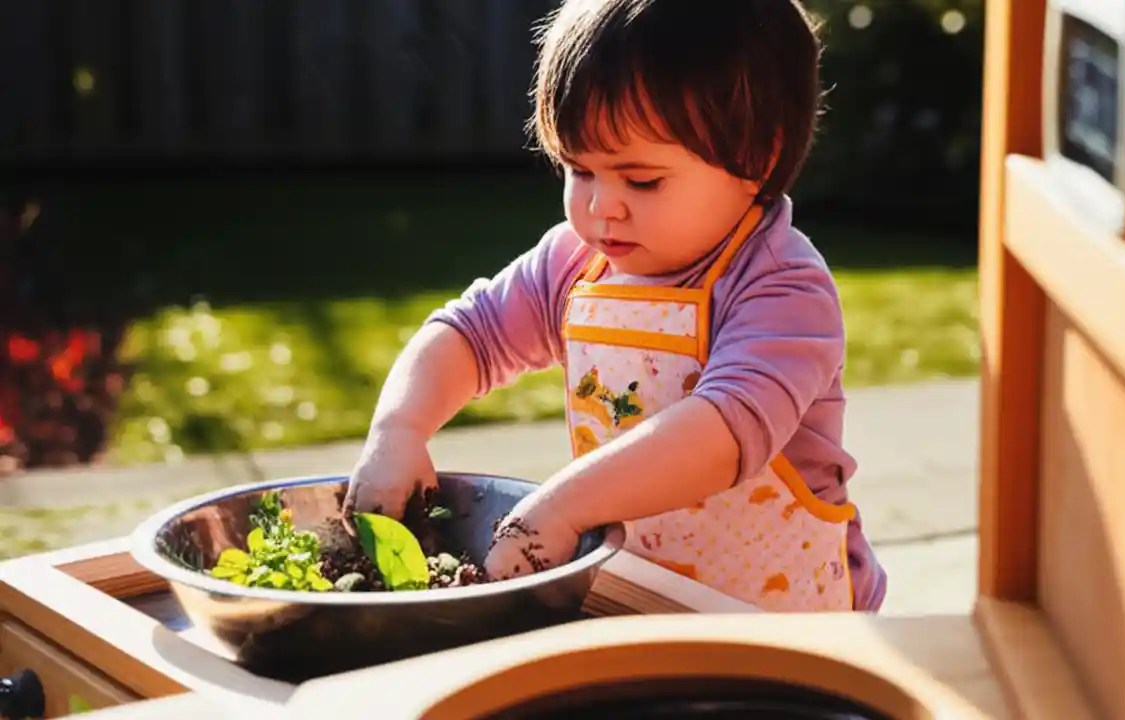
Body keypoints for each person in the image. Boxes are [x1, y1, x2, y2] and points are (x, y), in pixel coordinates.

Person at [342, 0, 886, 612]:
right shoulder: (574, 263)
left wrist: (565, 504)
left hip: (782, 622)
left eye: (641, 180)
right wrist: (400, 428)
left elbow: (722, 432)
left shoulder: (782, 289)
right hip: (632, 591)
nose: (603, 207)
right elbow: (469, 333)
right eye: (579, 170)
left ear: (757, 159)